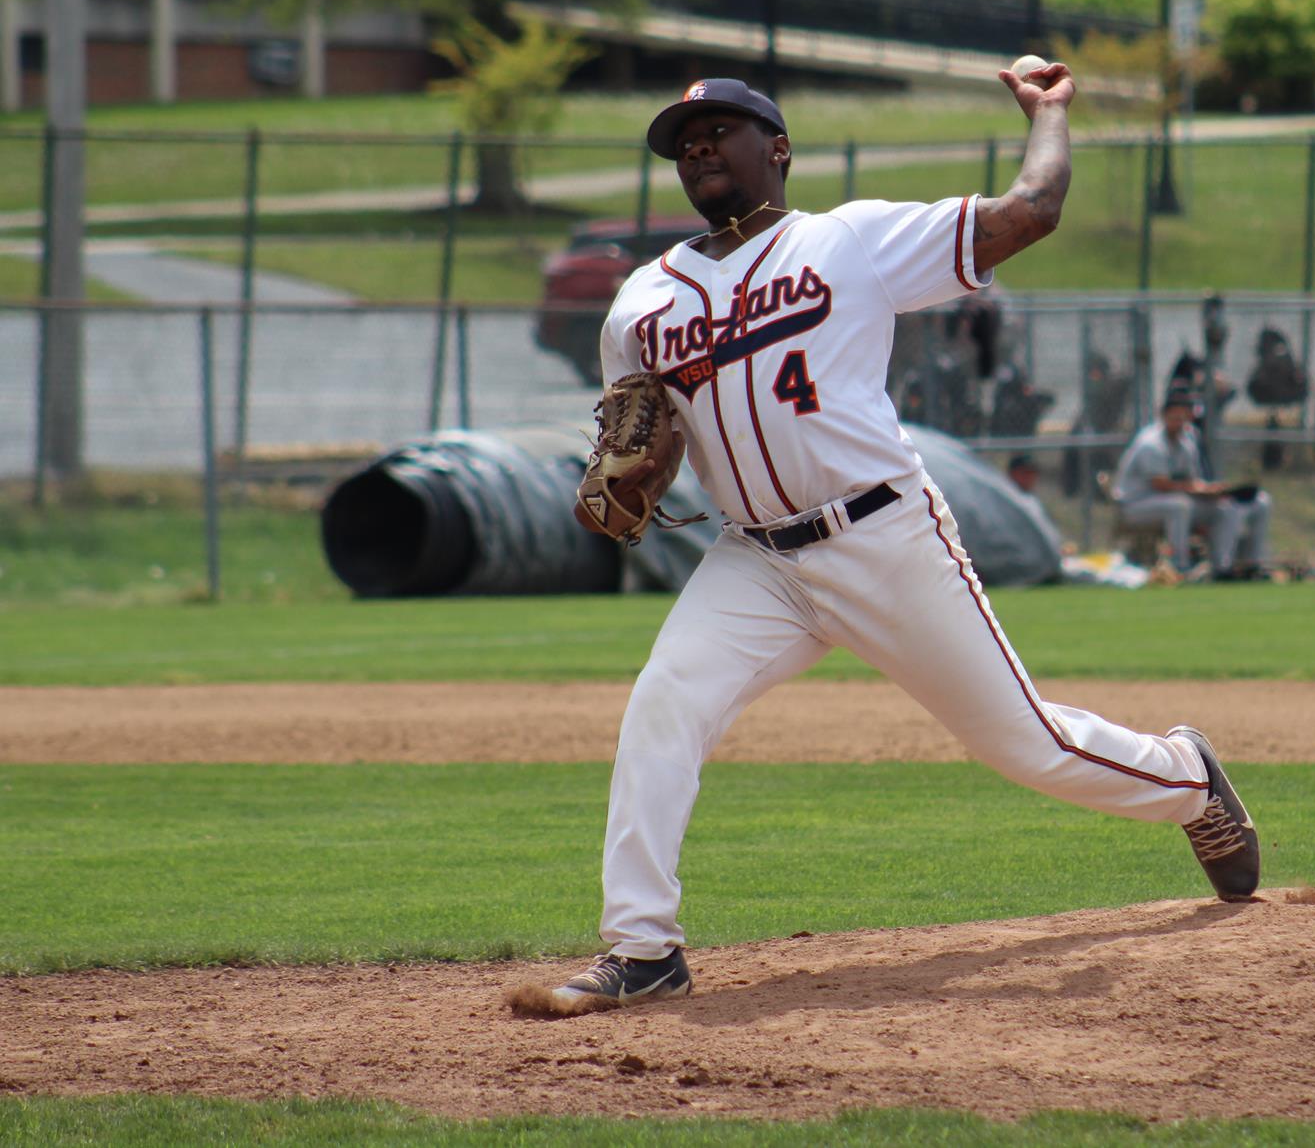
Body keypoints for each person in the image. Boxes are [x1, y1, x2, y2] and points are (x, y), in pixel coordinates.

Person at [525, 70, 1259, 1012]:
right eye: (683, 139)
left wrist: (1051, 115)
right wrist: (629, 467)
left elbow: (1031, 211)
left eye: (719, 128)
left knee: (1030, 748)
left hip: (882, 535)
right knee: (664, 705)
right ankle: (643, 946)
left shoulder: (849, 241)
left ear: (778, 147)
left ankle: (1189, 777)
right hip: (756, 559)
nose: (698, 146)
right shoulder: (640, 305)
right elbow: (635, 439)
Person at [1111, 388, 1272, 581]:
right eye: (1175, 416)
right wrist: (1202, 490)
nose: (1179, 421)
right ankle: (1180, 567)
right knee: (1179, 506)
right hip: (1135, 505)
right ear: (1163, 415)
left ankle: (1226, 567)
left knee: (1227, 508)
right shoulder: (1151, 443)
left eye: (1184, 416)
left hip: (1172, 501)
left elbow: (1191, 480)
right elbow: (1161, 484)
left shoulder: (1188, 438)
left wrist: (1214, 491)